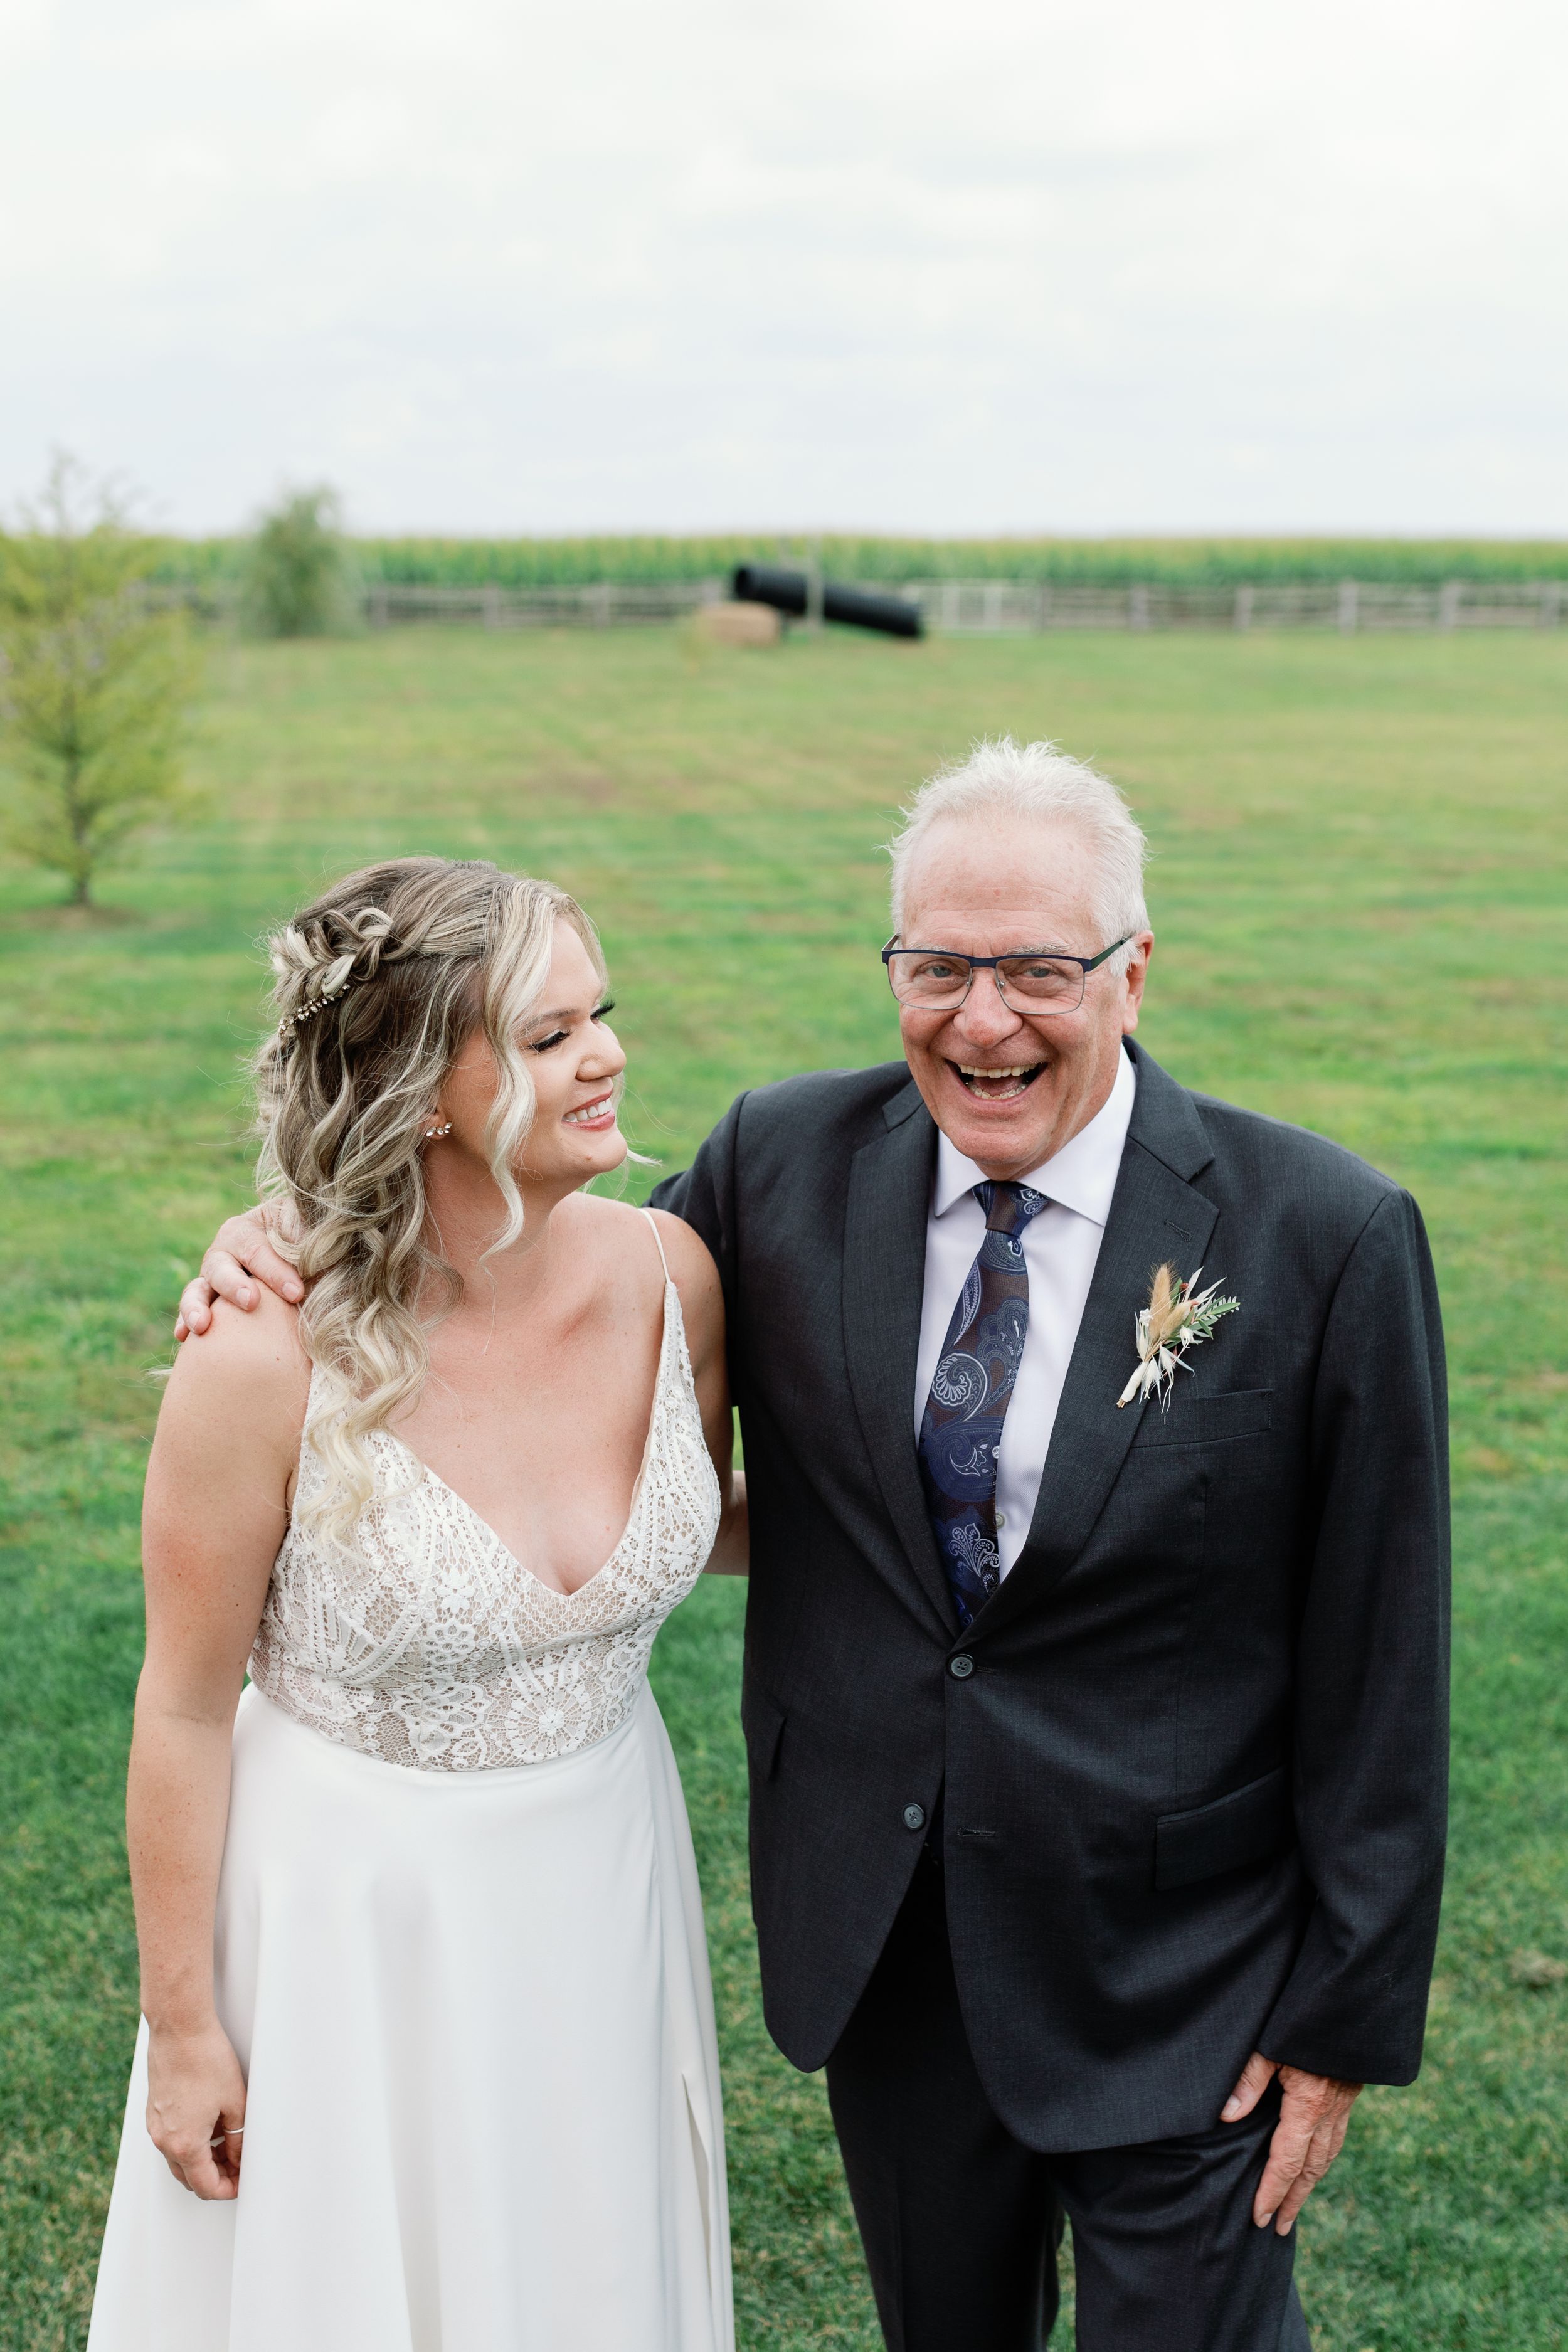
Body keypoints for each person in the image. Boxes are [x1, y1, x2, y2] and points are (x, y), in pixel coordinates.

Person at [184, 742, 1450, 2352]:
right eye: (936, 966)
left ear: (1133, 975)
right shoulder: (778, 1170)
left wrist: (1339, 2014)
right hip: (887, 1944)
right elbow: (513, 1274)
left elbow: (1385, 1650)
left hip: (1184, 1973)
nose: (979, 1019)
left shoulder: (1320, 1234)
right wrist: (296, 1230)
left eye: (1037, 971)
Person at [93, 857, 743, 2352]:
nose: (607, 1054)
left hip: (601, 1880)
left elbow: (696, 1520)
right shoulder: (263, 1350)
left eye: (602, 1013)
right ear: (421, 1089)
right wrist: (183, 2029)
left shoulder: (673, 1279)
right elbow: (183, 1705)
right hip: (349, 1925)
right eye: (544, 1034)